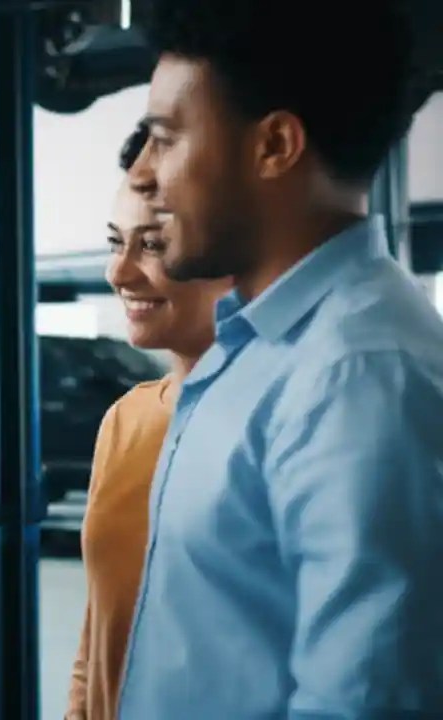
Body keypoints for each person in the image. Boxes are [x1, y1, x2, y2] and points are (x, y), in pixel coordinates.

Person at [116, 0, 443, 717]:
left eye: (165, 139)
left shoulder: (358, 373)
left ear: (275, 146)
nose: (142, 173)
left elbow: (366, 703)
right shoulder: (250, 350)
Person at [64, 123, 231, 720]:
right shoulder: (127, 420)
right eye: (116, 243)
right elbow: (100, 630)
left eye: (154, 245)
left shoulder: (280, 425)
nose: (120, 273)